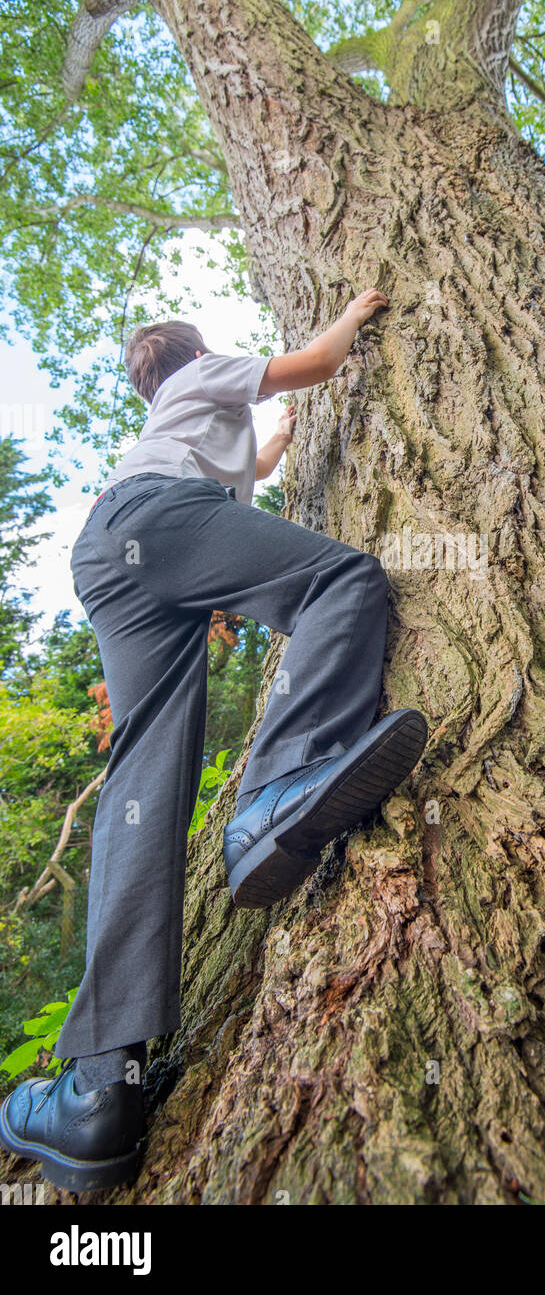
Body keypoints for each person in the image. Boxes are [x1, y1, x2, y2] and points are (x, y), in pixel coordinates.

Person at [0, 290, 427, 1193]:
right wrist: (352, 312)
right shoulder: (204, 376)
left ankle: (96, 1089)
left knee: (143, 782)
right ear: (195, 357)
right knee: (341, 581)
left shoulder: (183, 428)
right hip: (158, 527)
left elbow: (255, 469)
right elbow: (310, 363)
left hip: (113, 554)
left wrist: (280, 450)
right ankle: (274, 791)